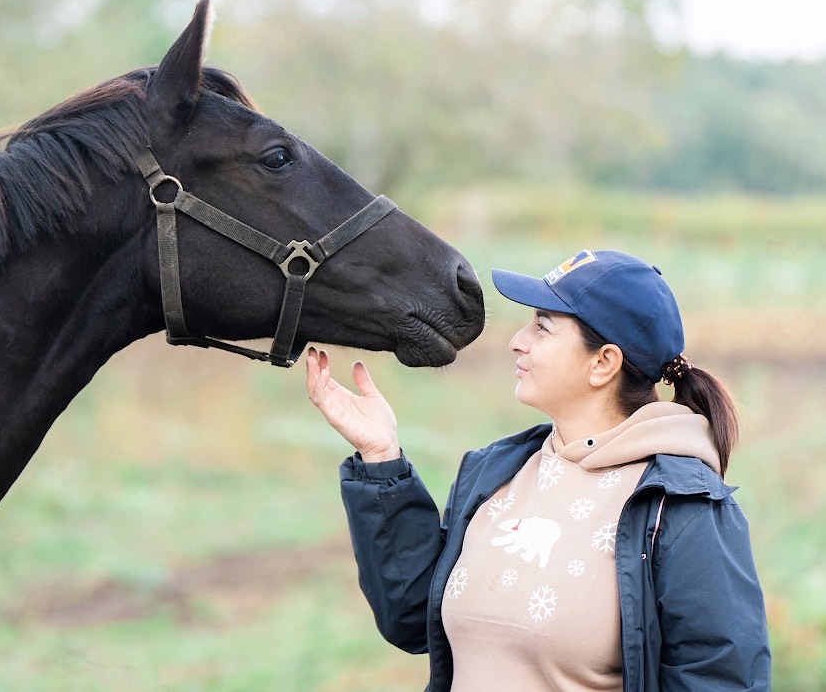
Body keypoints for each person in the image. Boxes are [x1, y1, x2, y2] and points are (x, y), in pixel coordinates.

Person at [305, 249, 770, 691]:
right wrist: (382, 456)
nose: (516, 342)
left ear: (603, 363)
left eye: (542, 328)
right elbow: (410, 617)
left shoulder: (682, 508)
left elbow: (722, 679)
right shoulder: (494, 473)